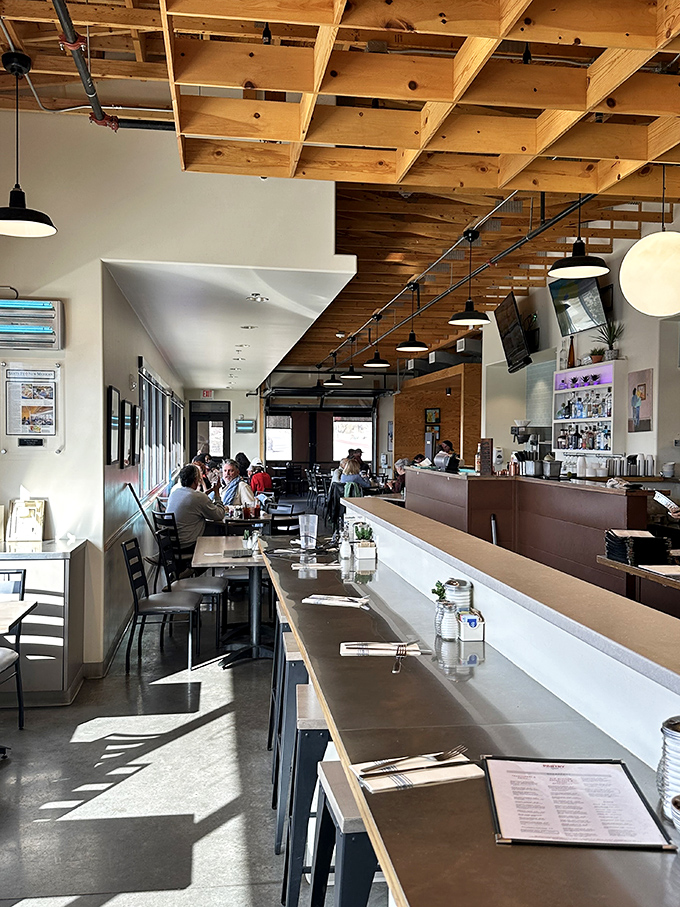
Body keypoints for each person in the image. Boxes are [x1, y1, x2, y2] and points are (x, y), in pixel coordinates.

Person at [166, 463, 225, 557]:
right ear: (196, 480)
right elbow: (219, 515)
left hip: (170, 543)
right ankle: (196, 569)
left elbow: (197, 498)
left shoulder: (175, 493)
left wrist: (211, 490)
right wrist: (217, 493)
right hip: (188, 545)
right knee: (219, 530)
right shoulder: (197, 497)